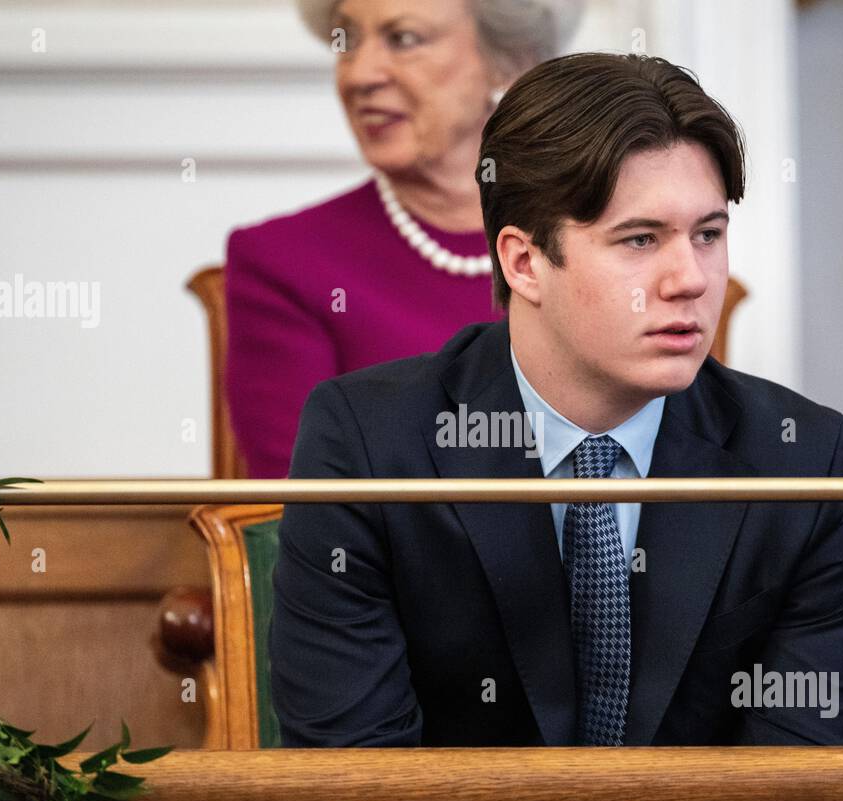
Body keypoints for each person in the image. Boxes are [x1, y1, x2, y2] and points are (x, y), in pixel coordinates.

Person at [270, 52, 843, 747]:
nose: (692, 280)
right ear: (523, 262)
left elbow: (800, 786)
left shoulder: (800, 456)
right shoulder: (368, 442)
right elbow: (355, 778)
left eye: (708, 235)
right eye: (641, 240)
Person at [224, 0, 585, 477]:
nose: (359, 75)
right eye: (348, 41)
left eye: (404, 39)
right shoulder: (284, 261)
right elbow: (300, 510)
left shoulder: (600, 240)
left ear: (508, 61)